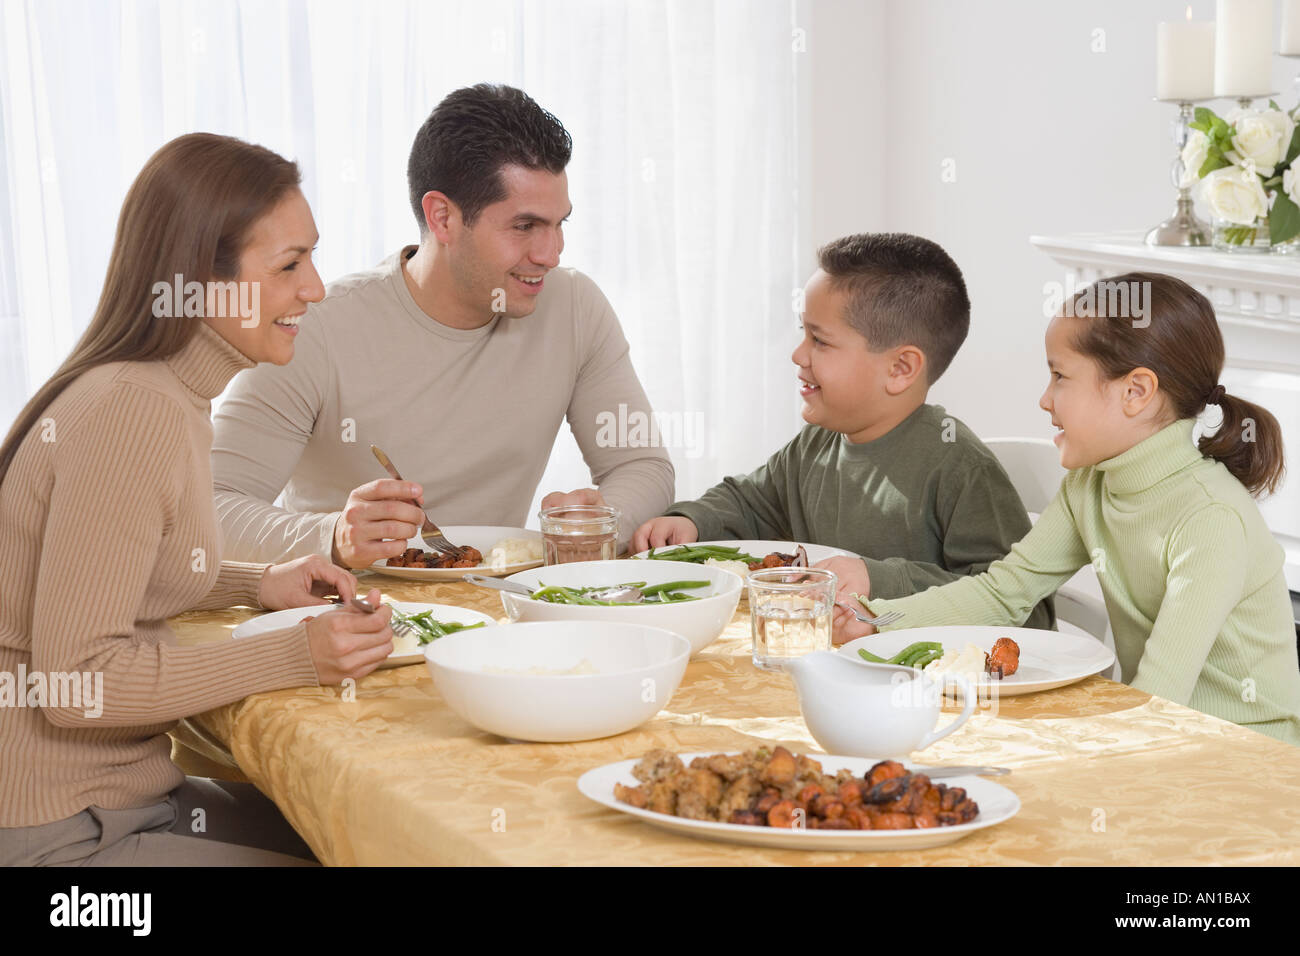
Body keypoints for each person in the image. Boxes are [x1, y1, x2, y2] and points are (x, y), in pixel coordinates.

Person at [0, 133, 395, 866]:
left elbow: (106, 571)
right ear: (203, 283)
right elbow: (78, 682)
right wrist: (295, 655)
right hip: (62, 831)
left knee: (373, 838)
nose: (315, 287)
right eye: (289, 264)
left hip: (123, 798)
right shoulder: (132, 411)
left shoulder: (166, 394)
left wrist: (257, 582)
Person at [210, 84, 674, 568]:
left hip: (502, 616)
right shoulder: (316, 328)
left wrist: (602, 521)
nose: (550, 254)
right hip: (352, 620)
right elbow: (210, 508)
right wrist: (331, 536)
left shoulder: (574, 306)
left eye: (560, 225)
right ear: (443, 218)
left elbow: (642, 465)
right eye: (524, 227)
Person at [859, 272, 1300, 745]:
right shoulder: (1089, 485)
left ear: (1135, 392)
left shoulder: (1211, 518)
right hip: (1164, 734)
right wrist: (873, 618)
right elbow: (1004, 593)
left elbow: (1159, 694)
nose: (1045, 399)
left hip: (1248, 755)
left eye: (1060, 376)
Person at [634, 233, 1054, 641]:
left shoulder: (960, 468)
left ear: (900, 369)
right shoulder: (817, 443)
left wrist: (878, 579)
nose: (798, 355)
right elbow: (749, 502)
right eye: (803, 334)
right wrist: (693, 520)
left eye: (819, 340)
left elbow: (1027, 612)